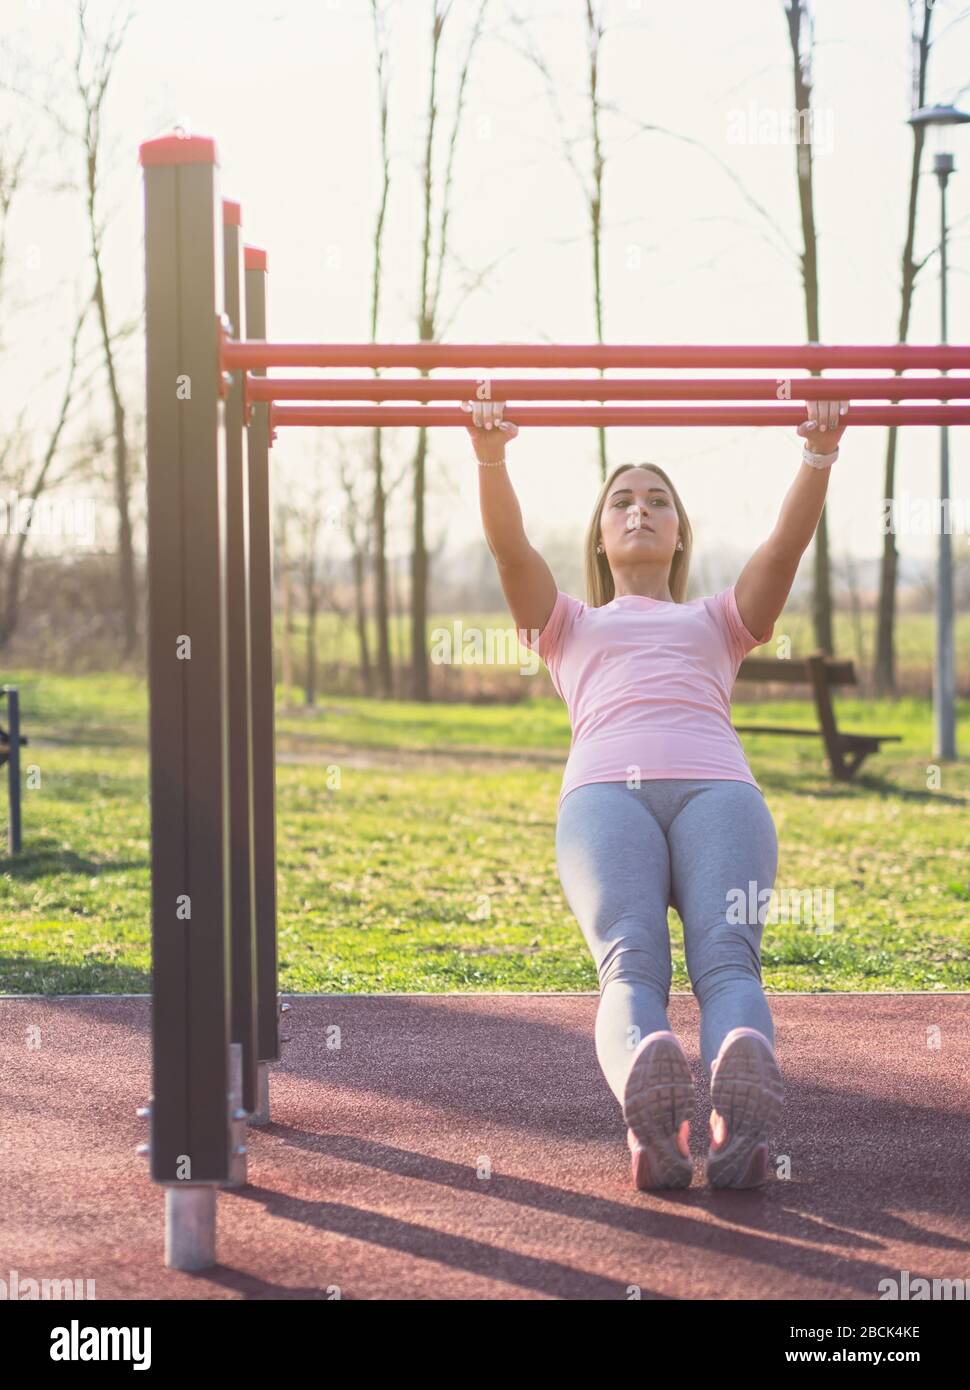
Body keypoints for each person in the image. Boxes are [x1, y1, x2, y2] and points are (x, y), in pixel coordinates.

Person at [465, 394, 849, 1190]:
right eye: (621, 500)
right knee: (631, 967)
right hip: (607, 796)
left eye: (658, 500)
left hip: (719, 793)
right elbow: (509, 552)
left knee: (728, 961)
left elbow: (783, 550)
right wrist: (491, 455)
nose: (639, 509)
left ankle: (736, 1115)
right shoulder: (564, 622)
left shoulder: (721, 619)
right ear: (601, 541)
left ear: (679, 535)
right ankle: (657, 1111)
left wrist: (817, 457)